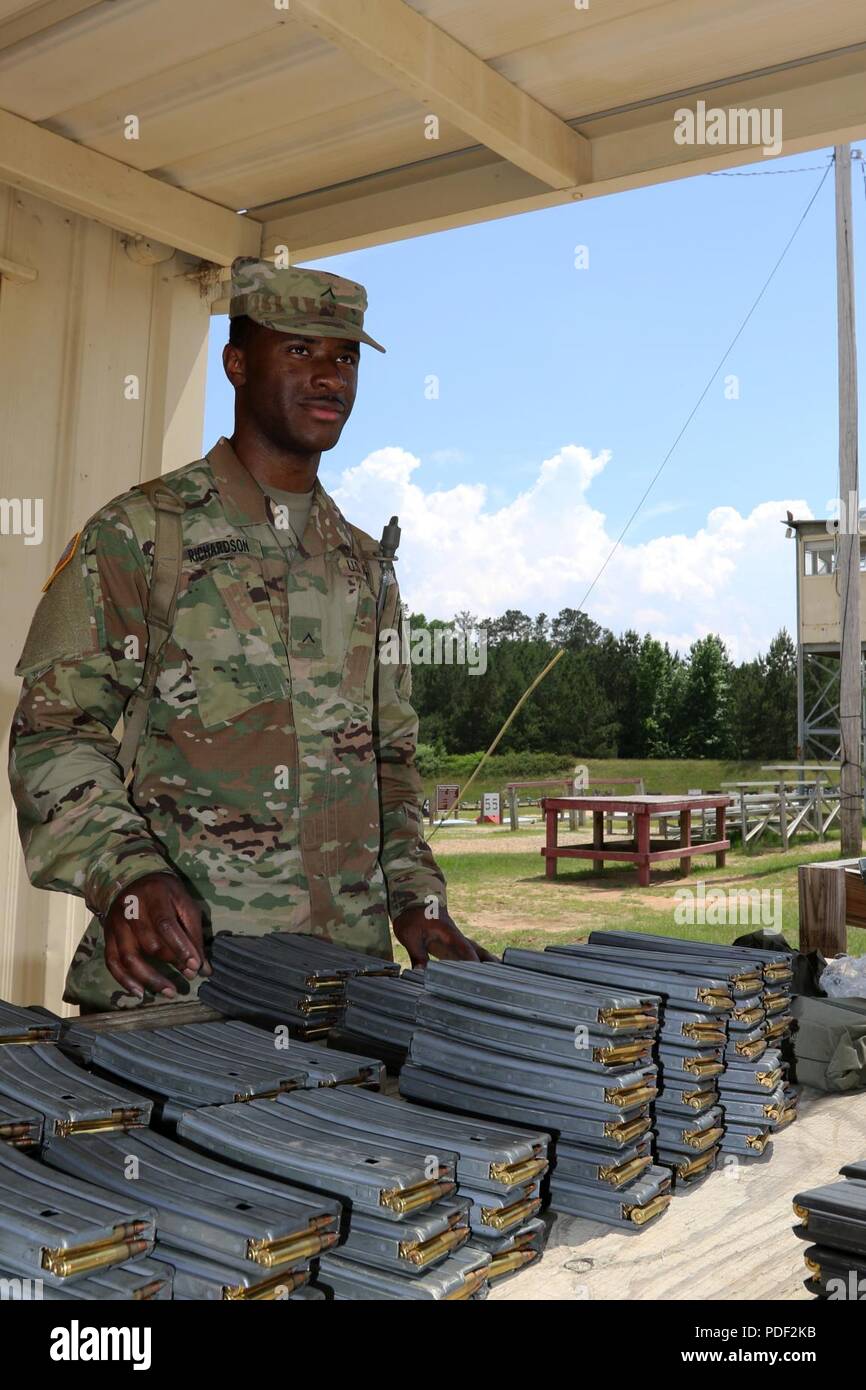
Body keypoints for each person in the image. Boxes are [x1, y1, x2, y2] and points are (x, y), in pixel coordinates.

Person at [9, 257, 490, 1011]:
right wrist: (129, 872)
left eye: (345, 355)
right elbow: (53, 735)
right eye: (299, 350)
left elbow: (390, 763)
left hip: (345, 993)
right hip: (181, 984)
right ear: (237, 363)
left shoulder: (366, 567)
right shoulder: (142, 534)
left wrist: (416, 902)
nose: (329, 375)